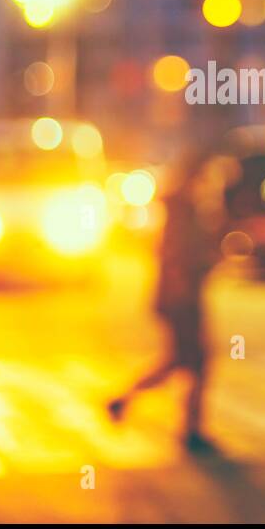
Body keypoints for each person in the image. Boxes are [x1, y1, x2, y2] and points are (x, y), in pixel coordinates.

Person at [107, 150, 225, 453]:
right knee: (197, 361)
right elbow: (177, 255)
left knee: (180, 361)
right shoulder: (183, 209)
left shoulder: (186, 206)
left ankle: (125, 400)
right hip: (182, 299)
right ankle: (191, 430)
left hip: (182, 296)